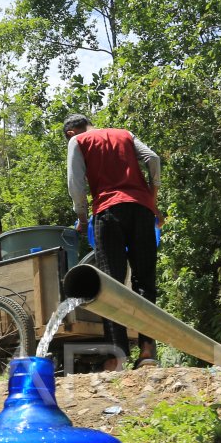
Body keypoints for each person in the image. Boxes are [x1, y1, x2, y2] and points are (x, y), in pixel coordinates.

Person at [63, 113, 162, 370]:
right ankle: (148, 351)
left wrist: (82, 217)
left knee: (111, 284)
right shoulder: (125, 134)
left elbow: (75, 184)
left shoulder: (78, 141)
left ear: (71, 133)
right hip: (141, 211)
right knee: (144, 280)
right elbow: (153, 159)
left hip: (108, 212)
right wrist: (152, 199)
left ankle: (116, 357)